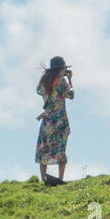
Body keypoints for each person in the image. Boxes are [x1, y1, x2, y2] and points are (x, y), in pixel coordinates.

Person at [35, 56, 73, 185]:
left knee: (44, 149)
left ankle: (43, 179)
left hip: (48, 119)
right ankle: (60, 178)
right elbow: (71, 95)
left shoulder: (45, 82)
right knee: (61, 149)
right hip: (60, 119)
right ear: (61, 69)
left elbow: (39, 91)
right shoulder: (62, 82)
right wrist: (70, 80)